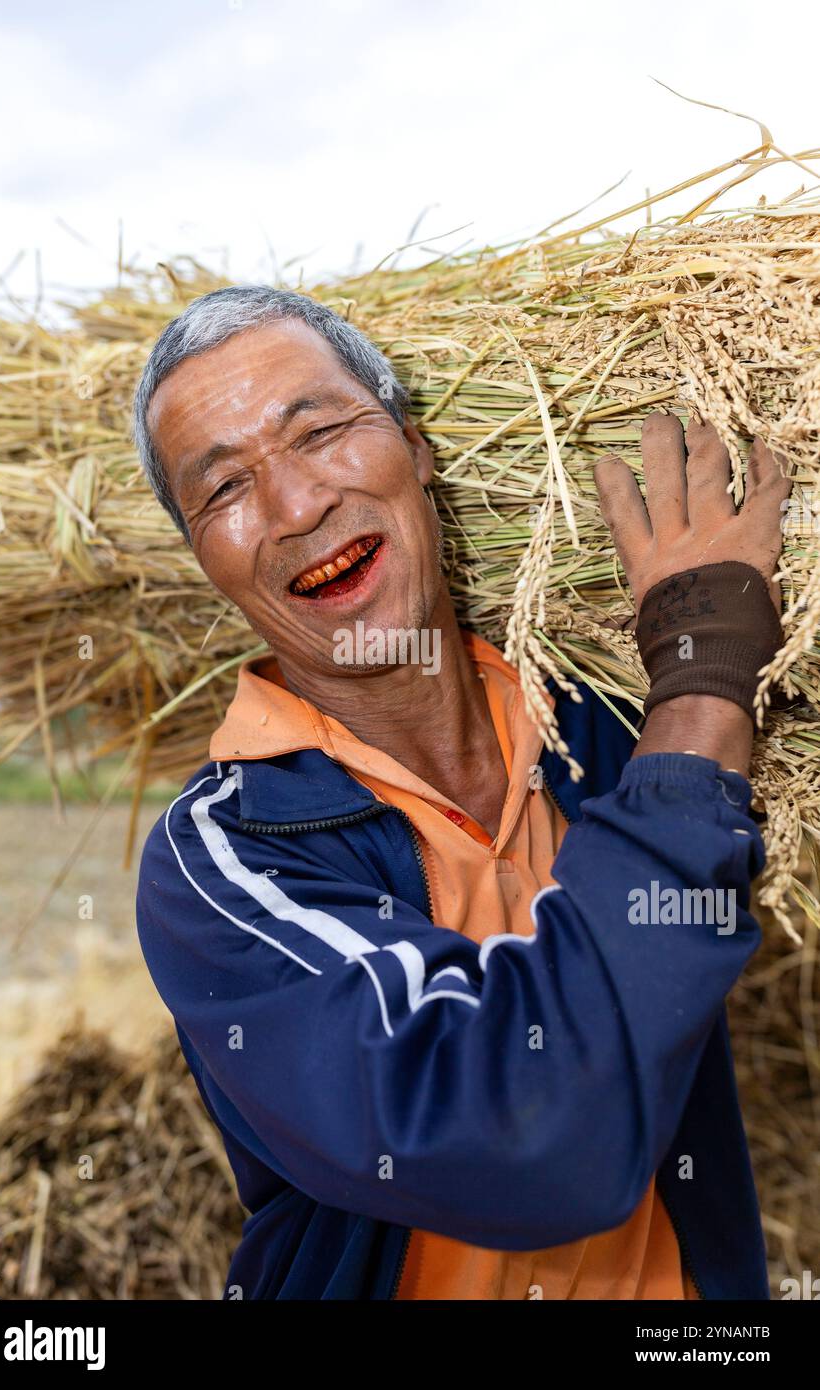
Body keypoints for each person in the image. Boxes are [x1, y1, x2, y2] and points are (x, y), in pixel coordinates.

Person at [132, 286, 789, 1300]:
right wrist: (703, 678)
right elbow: (530, 1131)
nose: (297, 506)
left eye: (322, 431)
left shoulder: (603, 723)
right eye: (223, 491)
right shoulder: (225, 864)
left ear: (414, 443)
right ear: (202, 561)